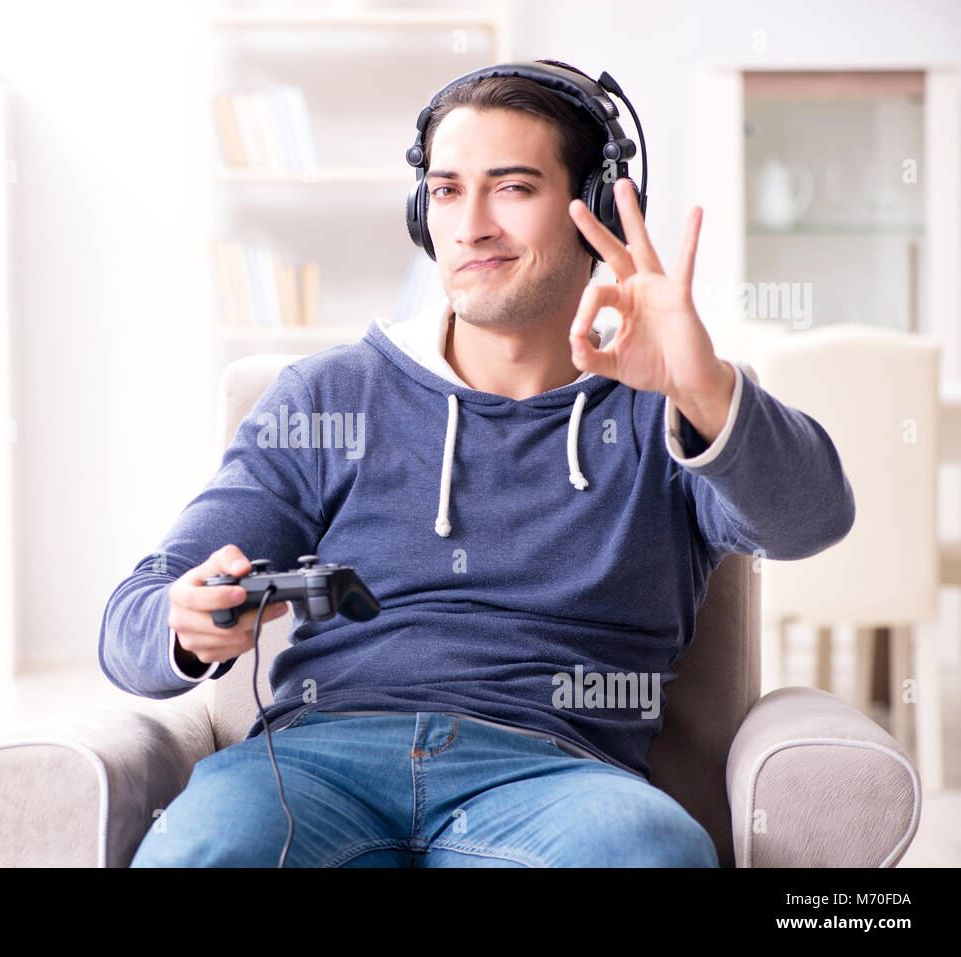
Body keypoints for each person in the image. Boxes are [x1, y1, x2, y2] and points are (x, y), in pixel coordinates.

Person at [98, 62, 855, 867]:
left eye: (513, 188)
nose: (471, 227)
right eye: (448, 190)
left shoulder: (667, 403)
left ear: (590, 205)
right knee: (196, 849)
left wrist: (704, 384)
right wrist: (182, 628)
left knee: (650, 850)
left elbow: (813, 518)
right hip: (315, 765)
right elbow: (132, 618)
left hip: (559, 779)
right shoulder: (329, 394)